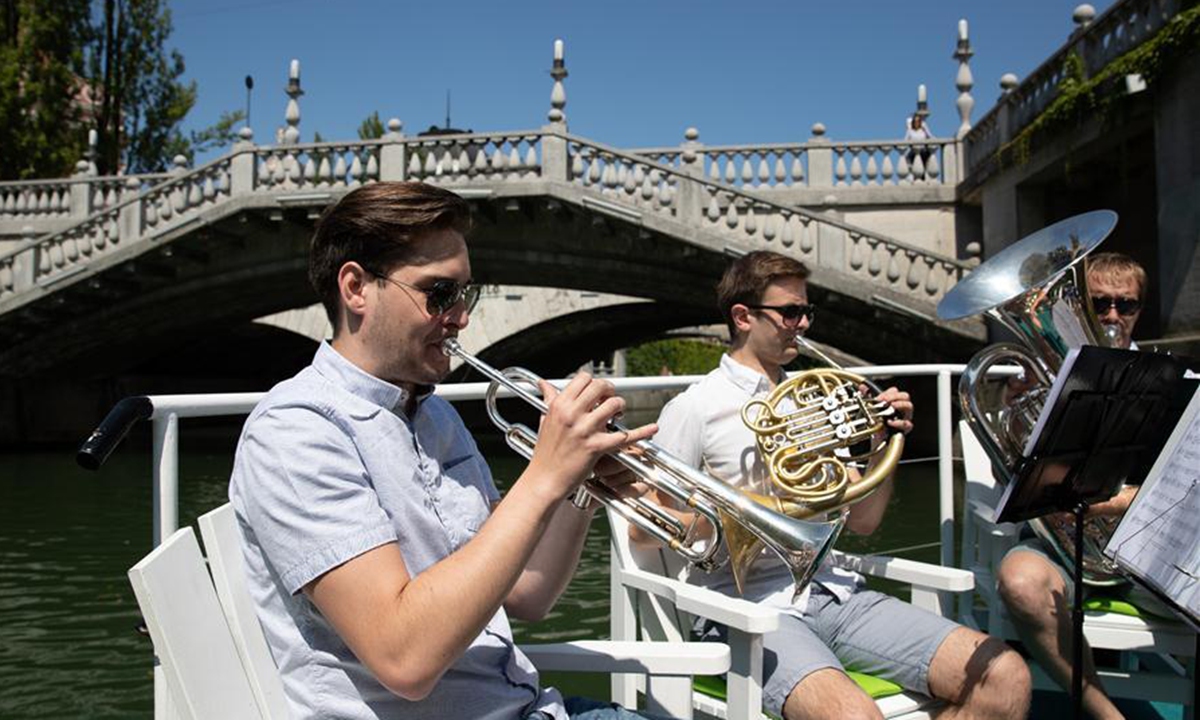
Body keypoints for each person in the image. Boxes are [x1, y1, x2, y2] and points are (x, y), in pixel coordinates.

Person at [228, 181, 665, 720]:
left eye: (465, 295)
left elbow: (528, 594)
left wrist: (579, 489)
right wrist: (544, 477)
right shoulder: (298, 431)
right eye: (439, 294)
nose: (460, 317)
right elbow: (405, 658)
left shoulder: (436, 415)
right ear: (356, 288)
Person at [643, 250, 1031, 720]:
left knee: (1005, 675)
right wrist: (747, 511)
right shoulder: (694, 408)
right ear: (743, 317)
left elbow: (864, 521)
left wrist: (885, 441)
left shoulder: (819, 398)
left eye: (807, 311)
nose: (803, 323)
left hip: (835, 592)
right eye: (790, 312)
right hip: (746, 609)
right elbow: (646, 529)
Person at [996, 251, 1149, 720]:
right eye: (1099, 303)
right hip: (1061, 545)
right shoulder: (1042, 384)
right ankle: (1106, 713)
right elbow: (1013, 481)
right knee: (1020, 584)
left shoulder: (1174, 382)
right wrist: (1011, 414)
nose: (1112, 317)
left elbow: (1182, 490)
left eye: (1127, 305)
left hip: (1144, 543)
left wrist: (1110, 504)